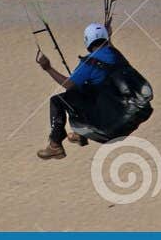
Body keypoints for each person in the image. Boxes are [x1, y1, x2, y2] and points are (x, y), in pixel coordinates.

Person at [34, 22, 123, 160]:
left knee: (59, 100)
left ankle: (55, 144)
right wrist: (108, 35)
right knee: (83, 92)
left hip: (99, 109)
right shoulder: (115, 54)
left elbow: (69, 85)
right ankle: (80, 133)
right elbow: (109, 46)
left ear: (87, 40)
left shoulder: (90, 62)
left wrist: (48, 68)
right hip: (113, 104)